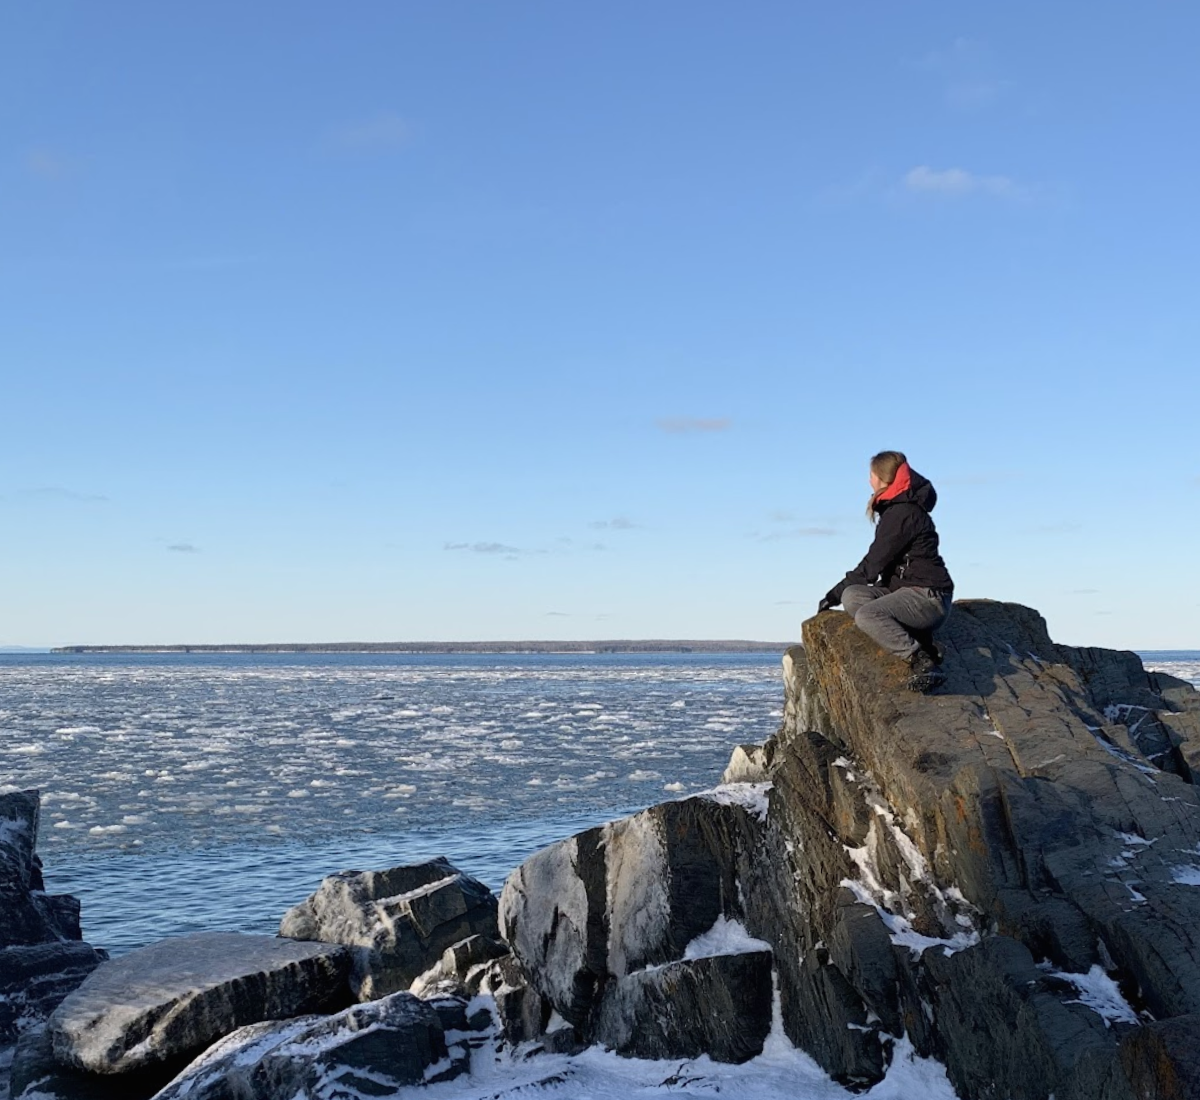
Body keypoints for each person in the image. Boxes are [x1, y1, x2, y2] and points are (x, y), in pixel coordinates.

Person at [818, 450, 954, 692]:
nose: (869, 480)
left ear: (881, 478)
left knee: (867, 615)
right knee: (853, 596)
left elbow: (873, 564)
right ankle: (920, 641)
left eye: (871, 475)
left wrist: (832, 595)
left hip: (927, 597)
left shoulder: (903, 513)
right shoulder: (896, 510)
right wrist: (841, 593)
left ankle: (921, 659)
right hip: (905, 591)